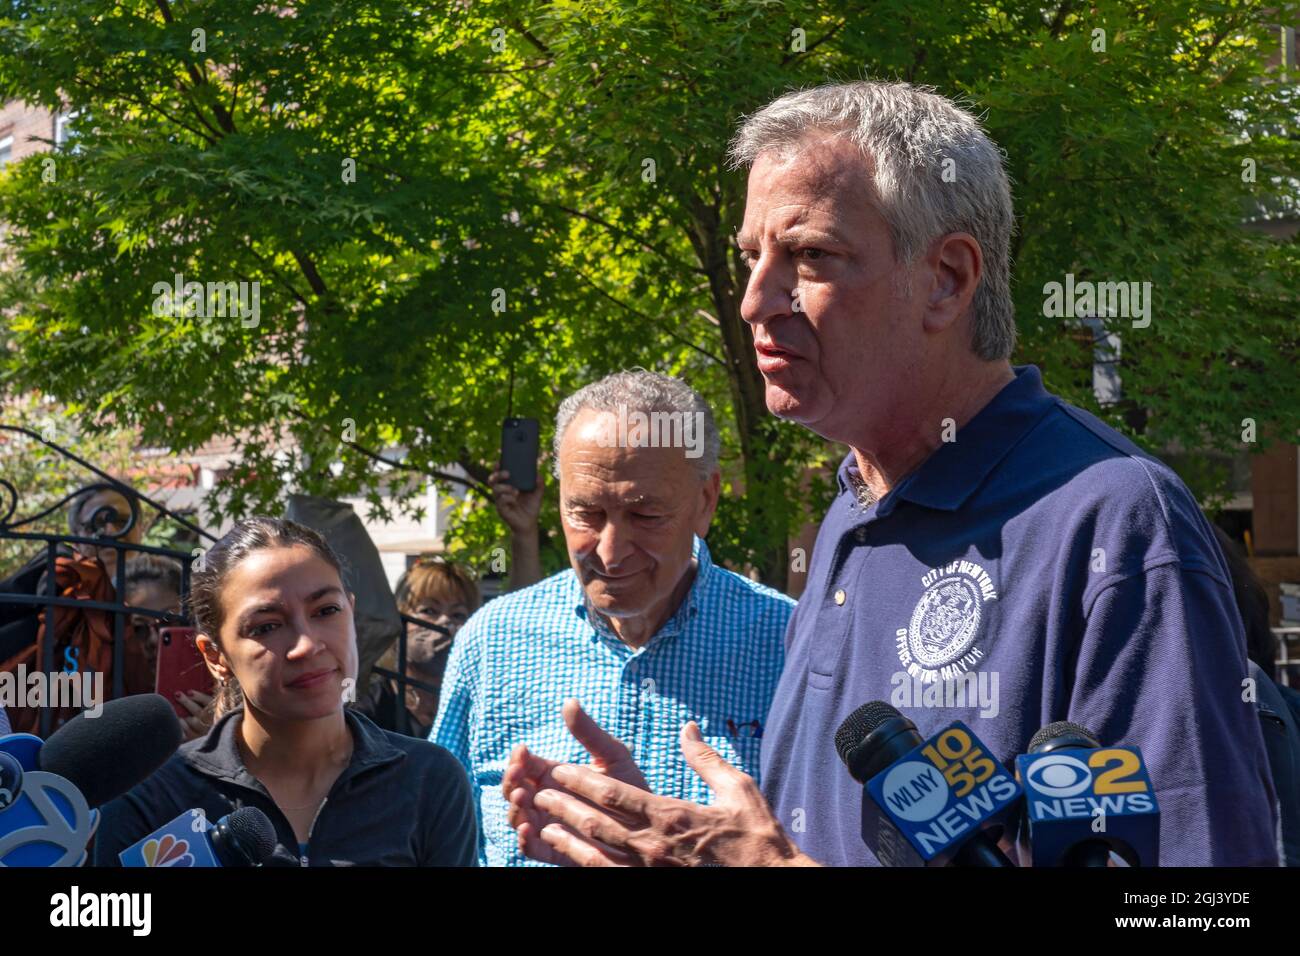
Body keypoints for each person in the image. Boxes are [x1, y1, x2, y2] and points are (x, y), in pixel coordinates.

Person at [505, 80, 1279, 867]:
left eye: (810, 256)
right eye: (751, 257)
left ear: (946, 278)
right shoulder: (852, 508)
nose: (754, 301)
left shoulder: (1113, 519)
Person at [432, 370, 794, 865]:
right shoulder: (491, 641)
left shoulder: (791, 646)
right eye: (586, 513)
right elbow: (434, 834)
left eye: (645, 516)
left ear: (705, 501)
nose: (610, 551)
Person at [94, 517, 476, 867]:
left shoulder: (430, 779)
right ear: (215, 656)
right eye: (266, 627)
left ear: (352, 614)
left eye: (326, 611)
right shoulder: (152, 798)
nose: (307, 645)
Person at [358, 557, 480, 738]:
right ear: (400, 617)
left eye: (458, 615)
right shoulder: (369, 705)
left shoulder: (475, 705)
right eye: (429, 611)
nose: (445, 622)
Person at [121, 553, 212, 741]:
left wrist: (215, 738)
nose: (155, 639)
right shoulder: (109, 695)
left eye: (169, 621)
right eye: (139, 628)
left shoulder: (220, 683)